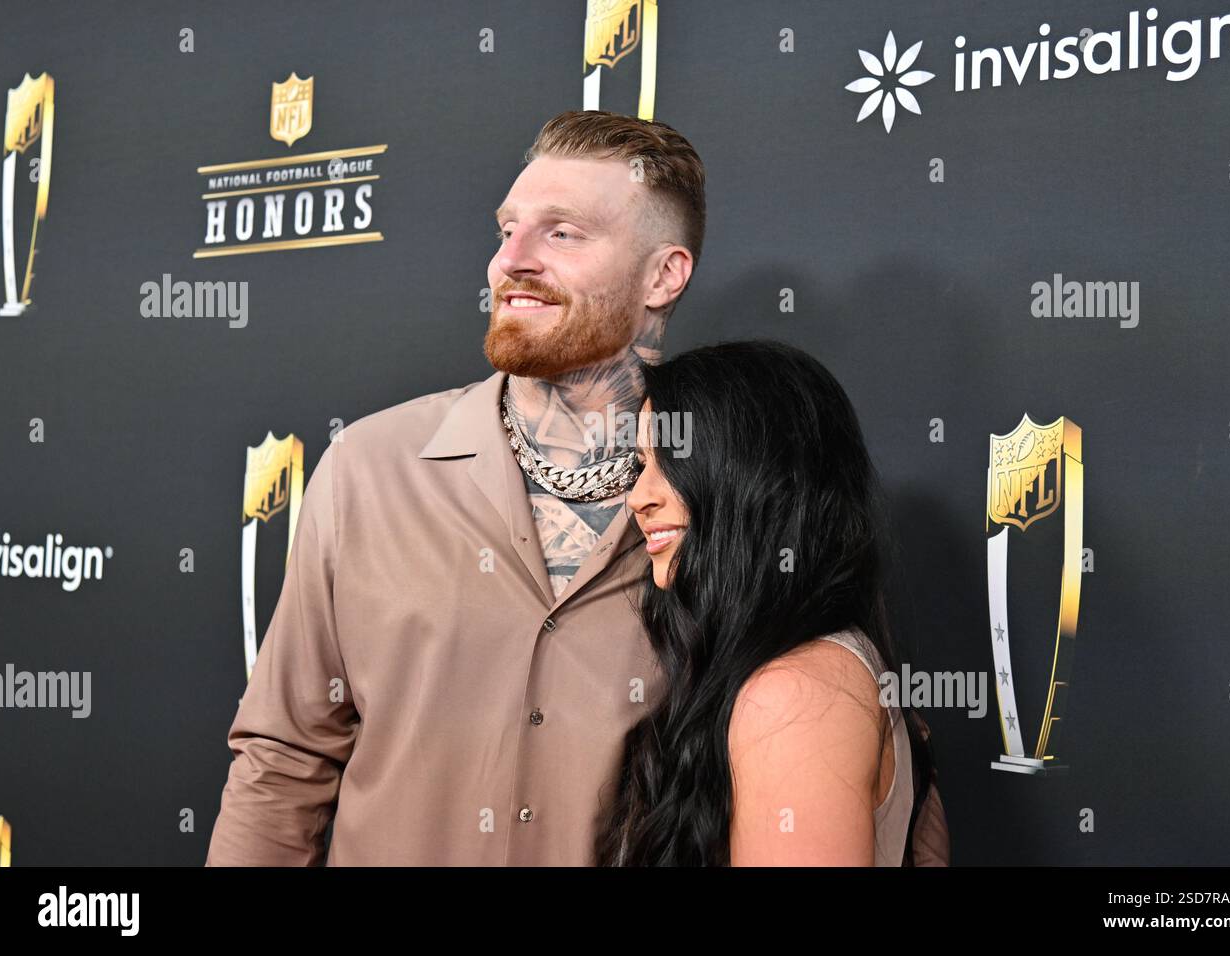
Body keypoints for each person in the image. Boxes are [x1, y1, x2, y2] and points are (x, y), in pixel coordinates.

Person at [206, 109, 701, 865]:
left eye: (562, 234)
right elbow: (284, 763)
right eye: (507, 231)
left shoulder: (735, 485)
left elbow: (867, 748)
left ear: (663, 274)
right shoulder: (369, 469)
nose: (512, 261)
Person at [596, 340, 949, 866]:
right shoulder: (821, 676)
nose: (637, 496)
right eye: (642, 464)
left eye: (669, 461)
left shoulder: (796, 696)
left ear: (751, 474)